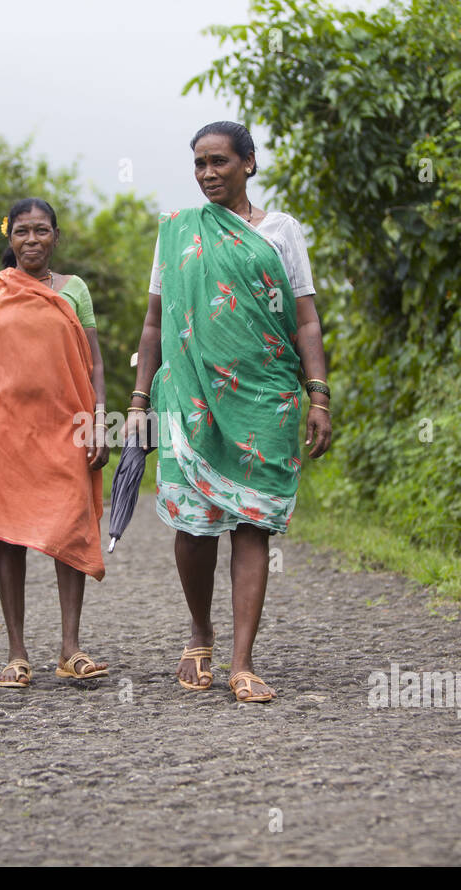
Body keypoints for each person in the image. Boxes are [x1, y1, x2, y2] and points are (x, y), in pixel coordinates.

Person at [126, 121, 333, 702]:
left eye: (219, 161)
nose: (208, 173)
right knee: (194, 525)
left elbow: (306, 318)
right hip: (189, 393)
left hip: (265, 397)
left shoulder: (282, 233)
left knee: (252, 522)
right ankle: (200, 630)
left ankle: (242, 661)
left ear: (248, 164)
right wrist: (139, 400)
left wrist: (318, 394)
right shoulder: (177, 233)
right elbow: (152, 321)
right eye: (199, 164)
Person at [0, 198, 111, 688]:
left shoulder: (74, 291)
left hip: (65, 427)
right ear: (8, 237)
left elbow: (95, 363)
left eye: (41, 231)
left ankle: (70, 648)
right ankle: (16, 653)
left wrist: (100, 421)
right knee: (9, 535)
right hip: (1, 432)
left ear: (57, 236)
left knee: (71, 525)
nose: (31, 241)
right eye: (22, 232)